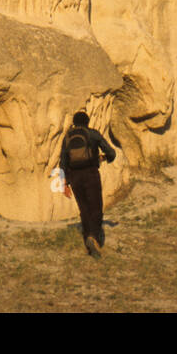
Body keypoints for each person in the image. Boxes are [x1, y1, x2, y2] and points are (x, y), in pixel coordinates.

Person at [60, 110, 116, 257]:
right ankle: (94, 238)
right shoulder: (93, 134)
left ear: (74, 122)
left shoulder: (67, 137)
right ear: (87, 122)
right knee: (95, 207)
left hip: (74, 177)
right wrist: (104, 158)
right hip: (91, 174)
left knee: (84, 209)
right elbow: (111, 152)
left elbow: (63, 162)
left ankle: (88, 243)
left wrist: (64, 184)